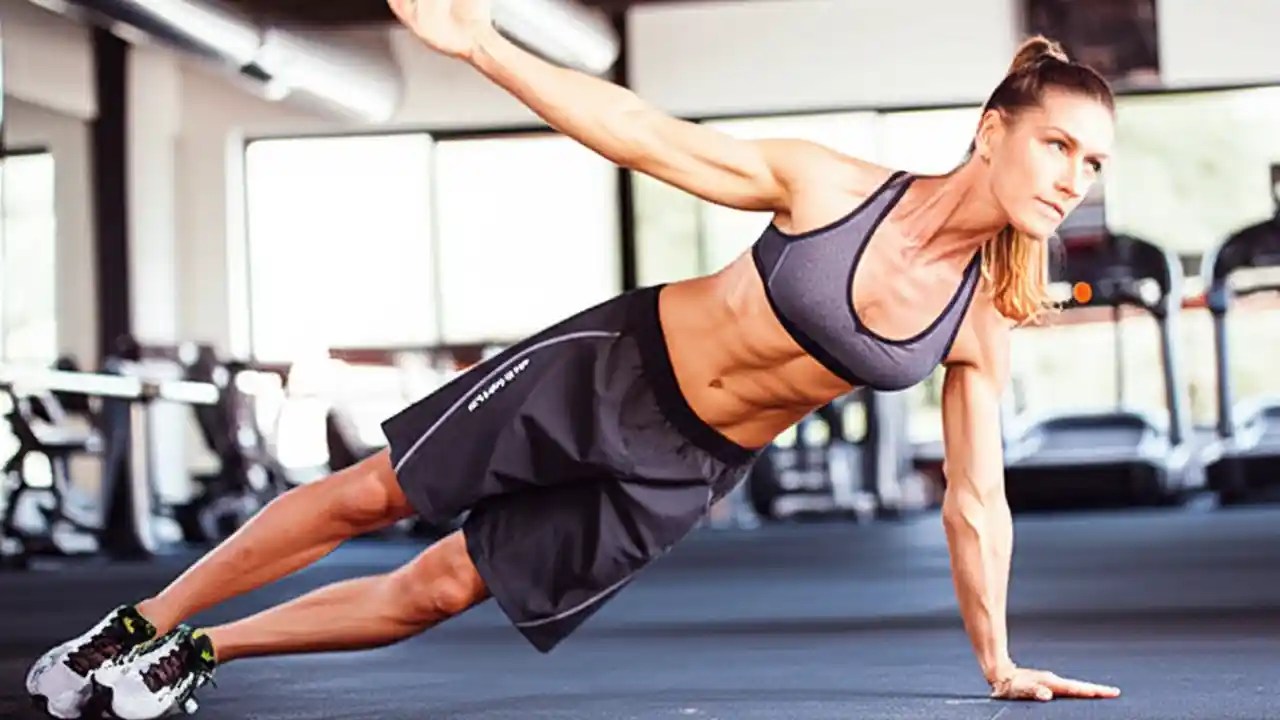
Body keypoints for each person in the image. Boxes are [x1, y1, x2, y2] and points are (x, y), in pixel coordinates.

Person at [27, 1, 1124, 717]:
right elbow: (645, 134)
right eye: (1057, 144)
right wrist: (484, 47)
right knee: (373, 494)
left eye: (1092, 163)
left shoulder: (980, 315)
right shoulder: (831, 188)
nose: (1074, 175)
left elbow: (975, 500)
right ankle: (131, 627)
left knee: (438, 588)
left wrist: (996, 659)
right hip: (612, 366)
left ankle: (196, 655)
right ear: (992, 130)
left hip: (684, 470)